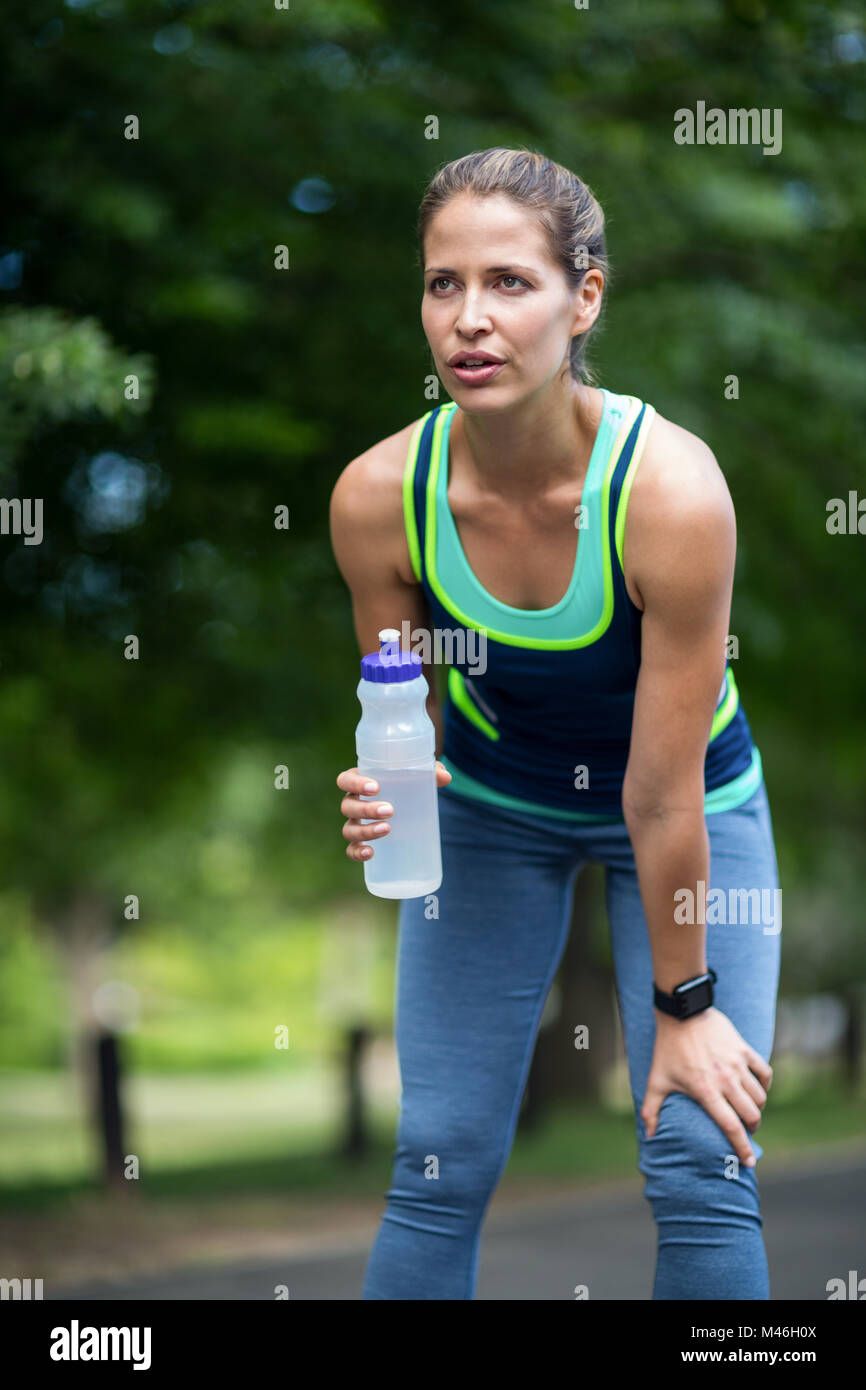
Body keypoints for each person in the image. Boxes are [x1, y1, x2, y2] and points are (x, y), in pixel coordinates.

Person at [329, 147, 781, 1300]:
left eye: (508, 283)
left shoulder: (669, 492)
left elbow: (658, 794)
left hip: (689, 810)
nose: (468, 320)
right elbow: (401, 707)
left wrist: (683, 1009)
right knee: (435, 1164)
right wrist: (389, 782)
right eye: (442, 284)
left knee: (695, 1152)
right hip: (492, 811)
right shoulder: (378, 498)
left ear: (584, 298)